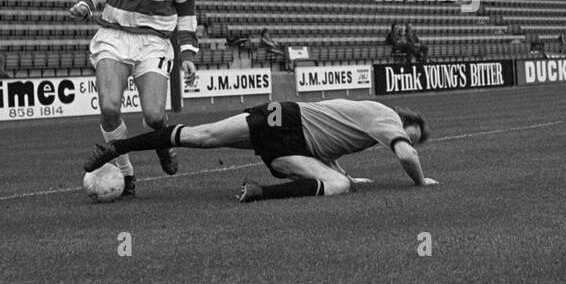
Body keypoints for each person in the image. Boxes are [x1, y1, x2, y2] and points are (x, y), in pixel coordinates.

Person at [67, 0, 198, 197]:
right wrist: (84, 5)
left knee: (153, 116)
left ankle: (162, 142)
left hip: (153, 42)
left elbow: (187, 12)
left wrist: (188, 53)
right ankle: (127, 175)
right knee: (109, 107)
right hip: (113, 36)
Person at [83, 99, 436, 203]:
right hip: (293, 136)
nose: (408, 139)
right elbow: (406, 156)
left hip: (283, 114)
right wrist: (420, 183)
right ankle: (258, 193)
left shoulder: (368, 114)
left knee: (200, 135)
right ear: (403, 120)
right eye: (412, 132)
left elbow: (327, 139)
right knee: (338, 188)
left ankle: (117, 146)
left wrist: (344, 172)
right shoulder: (389, 119)